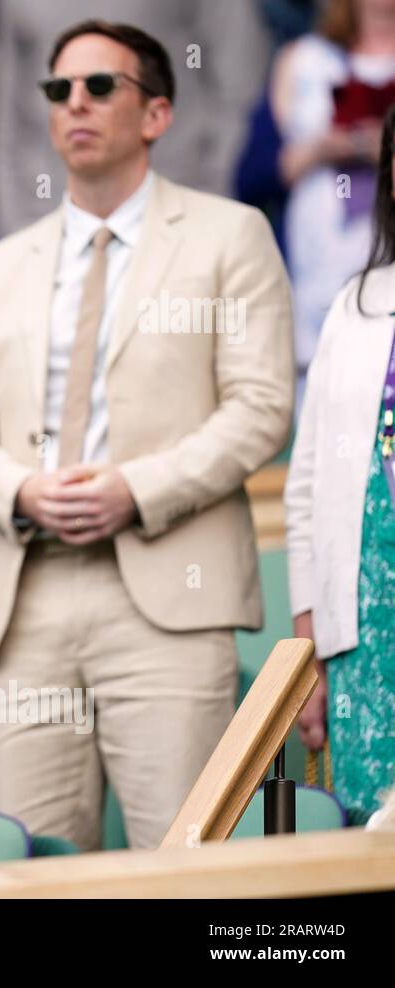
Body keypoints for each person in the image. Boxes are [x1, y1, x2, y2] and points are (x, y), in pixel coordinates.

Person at [0, 20, 295, 851]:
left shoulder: (230, 234)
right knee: (35, 868)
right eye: (59, 89)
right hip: (27, 595)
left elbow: (260, 407)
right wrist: (21, 492)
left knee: (180, 857)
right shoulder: (1, 264)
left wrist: (134, 490)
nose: (76, 103)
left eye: (101, 86)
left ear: (157, 115)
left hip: (166, 593)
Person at [287, 101, 395, 824]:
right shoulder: (357, 305)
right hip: (366, 632)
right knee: (364, 842)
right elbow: (306, 490)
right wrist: (309, 648)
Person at [0, 0, 268, 238]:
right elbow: (5, 115)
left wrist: (209, 191)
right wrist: (14, 223)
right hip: (49, 222)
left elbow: (238, 82)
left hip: (172, 220)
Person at [271, 0, 395, 403]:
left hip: (384, 242)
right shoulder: (304, 58)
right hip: (322, 248)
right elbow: (267, 168)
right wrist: (330, 146)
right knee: (322, 381)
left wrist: (382, 147)